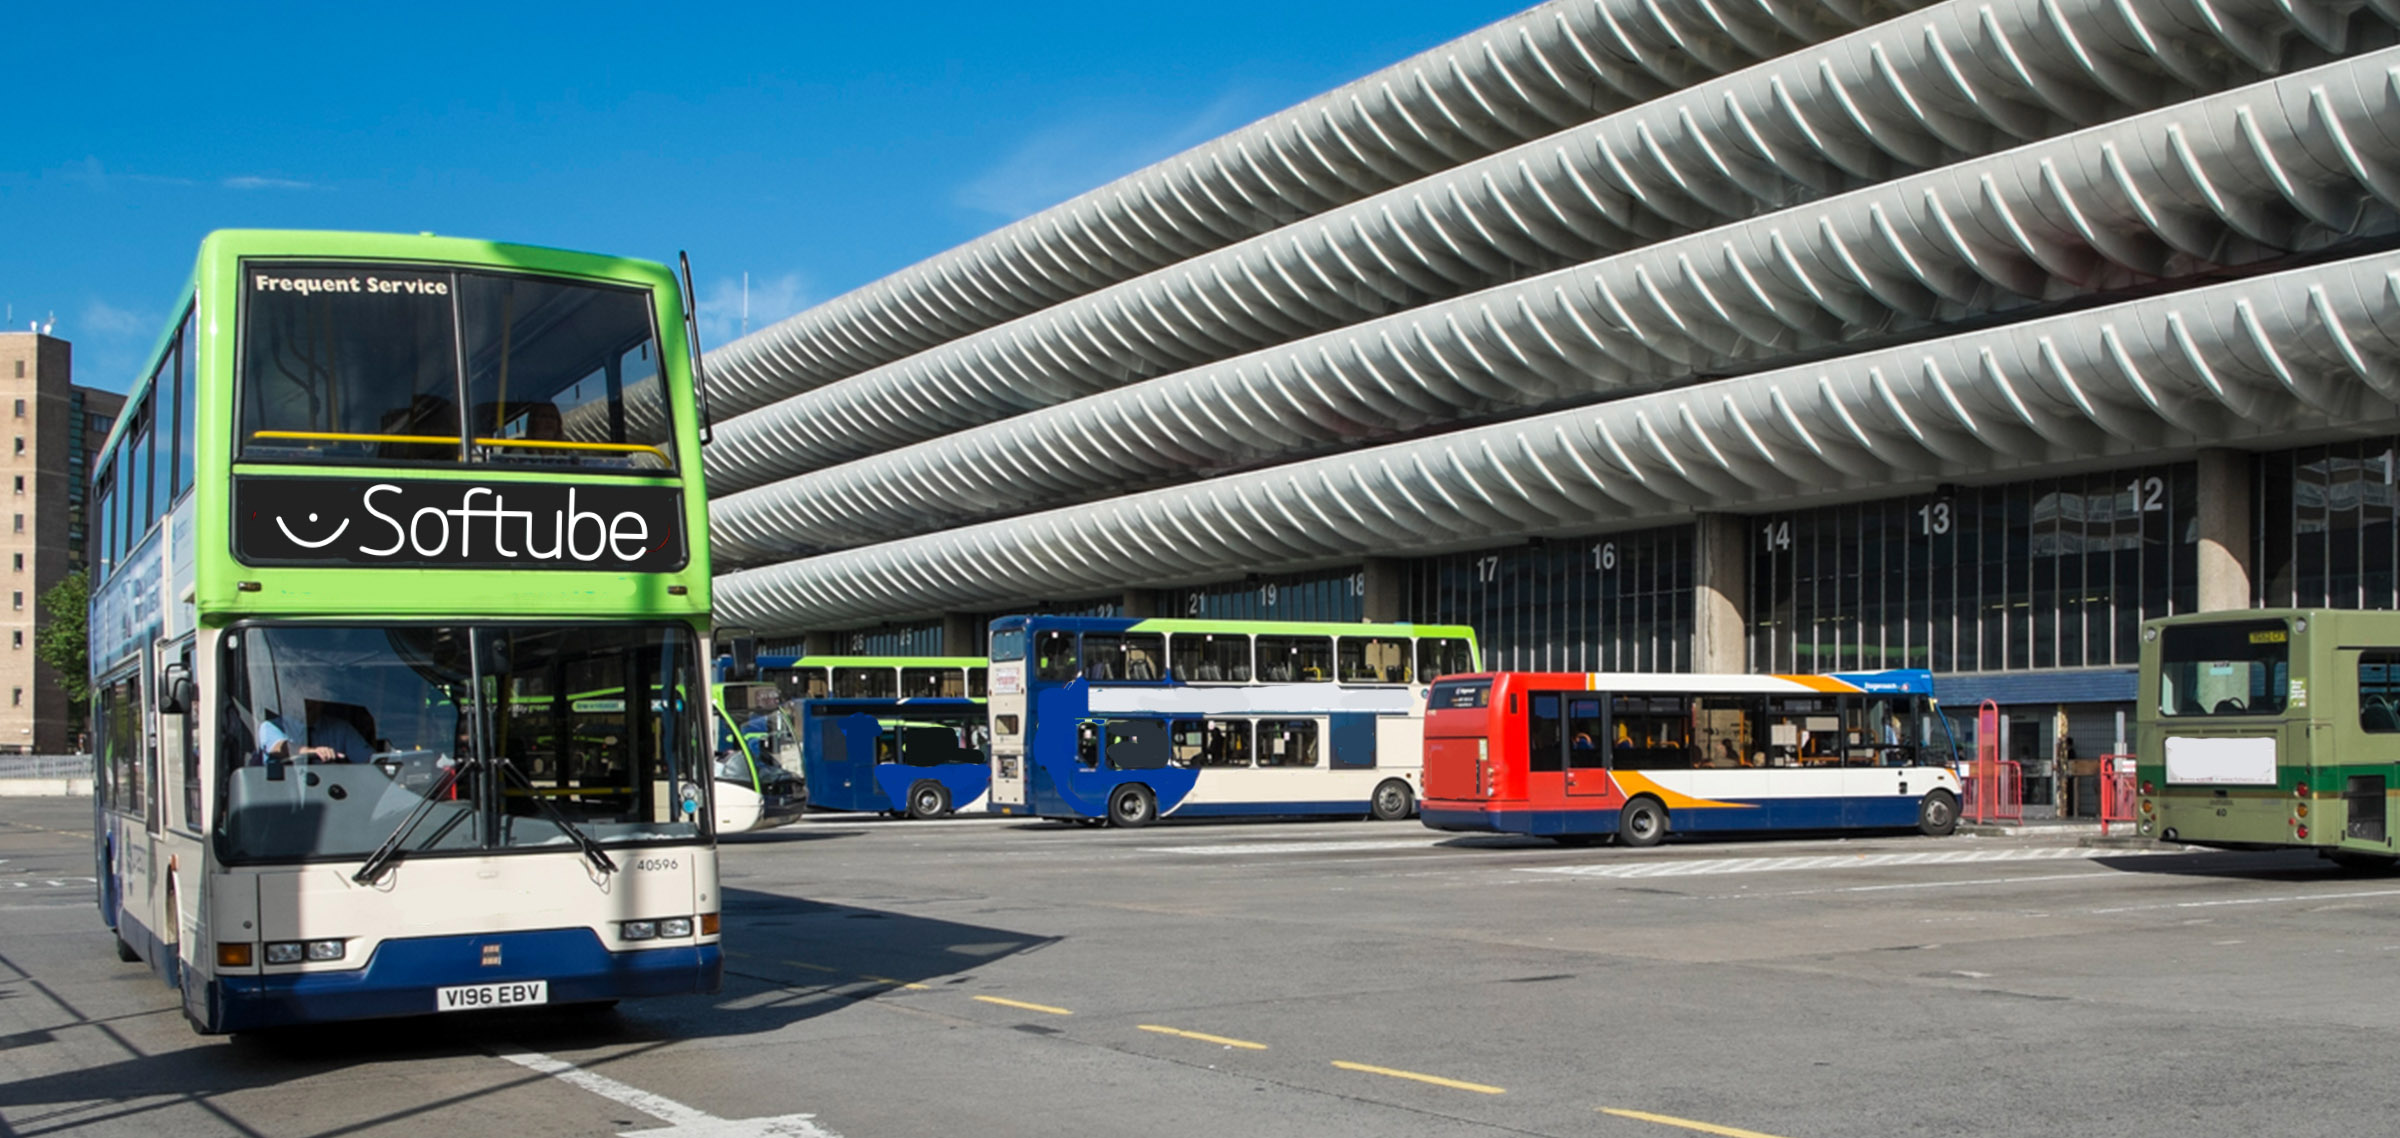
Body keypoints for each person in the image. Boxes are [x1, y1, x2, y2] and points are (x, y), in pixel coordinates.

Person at [256, 709, 373, 764]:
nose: (309, 703)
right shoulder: (270, 727)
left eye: (315, 695)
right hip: (284, 797)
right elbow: (281, 748)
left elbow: (369, 761)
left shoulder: (340, 729)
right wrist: (314, 752)